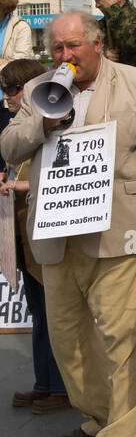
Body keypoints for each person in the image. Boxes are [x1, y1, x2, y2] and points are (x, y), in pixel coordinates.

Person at [0, 11, 136, 437]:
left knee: (123, 338)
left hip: (120, 232)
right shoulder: (38, 89)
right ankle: (100, 416)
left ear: (97, 44)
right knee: (69, 340)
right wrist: (42, 126)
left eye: (73, 46)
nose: (65, 56)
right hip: (57, 235)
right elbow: (9, 146)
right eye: (57, 48)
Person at [1, 57, 68, 414]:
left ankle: (61, 386)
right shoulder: (19, 130)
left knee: (55, 314)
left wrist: (17, 185)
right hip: (24, 238)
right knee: (39, 314)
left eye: (13, 89)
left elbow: (57, 175)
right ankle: (45, 383)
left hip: (45, 234)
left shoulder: (52, 127)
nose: (8, 97)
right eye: (5, 90)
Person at [0, 0, 34, 78]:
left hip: (10, 86)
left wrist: (8, 64)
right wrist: (6, 63)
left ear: (3, 6)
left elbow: (19, 67)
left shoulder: (21, 27)